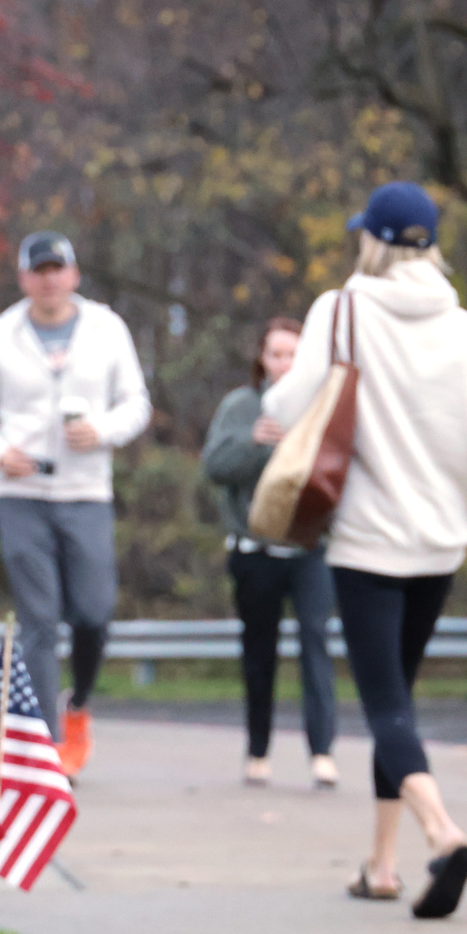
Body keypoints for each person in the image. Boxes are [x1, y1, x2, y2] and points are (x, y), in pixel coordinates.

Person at [262, 181, 467, 919]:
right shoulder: (464, 330)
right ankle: (381, 864)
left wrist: (273, 413)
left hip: (367, 546)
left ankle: (442, 831)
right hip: (440, 549)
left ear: (374, 241)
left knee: (386, 709)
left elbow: (286, 405)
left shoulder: (343, 310)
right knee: (396, 704)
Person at [0, 230, 152, 777]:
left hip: (86, 493)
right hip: (22, 496)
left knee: (93, 614)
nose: (48, 279)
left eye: (57, 269)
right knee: (39, 622)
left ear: (74, 274)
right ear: (23, 279)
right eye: (38, 270)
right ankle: (48, 747)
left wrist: (103, 430)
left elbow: (136, 402)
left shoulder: (107, 329)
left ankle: (79, 704)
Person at [201, 316, 340, 789]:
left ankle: (322, 752)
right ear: (262, 358)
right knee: (258, 653)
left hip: (309, 549)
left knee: (316, 645)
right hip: (254, 550)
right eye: (277, 354)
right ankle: (257, 751)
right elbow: (215, 465)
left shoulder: (322, 406)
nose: (285, 364)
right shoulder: (242, 407)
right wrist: (254, 443)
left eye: (294, 355)